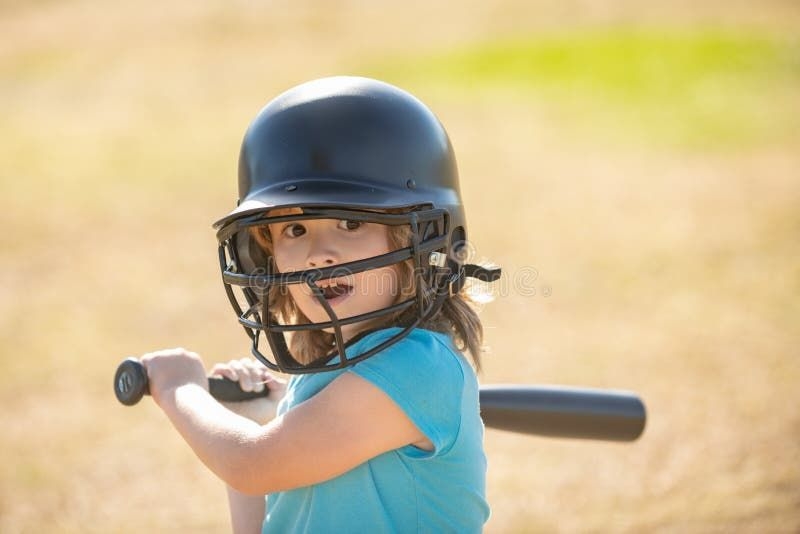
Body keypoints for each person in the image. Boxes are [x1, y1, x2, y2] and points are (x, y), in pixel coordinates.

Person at [139, 76, 501, 533]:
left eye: (350, 223)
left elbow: (252, 464)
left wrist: (179, 389)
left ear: (422, 241)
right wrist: (254, 421)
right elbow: (259, 489)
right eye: (295, 230)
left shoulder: (418, 369)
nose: (319, 253)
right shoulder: (329, 382)